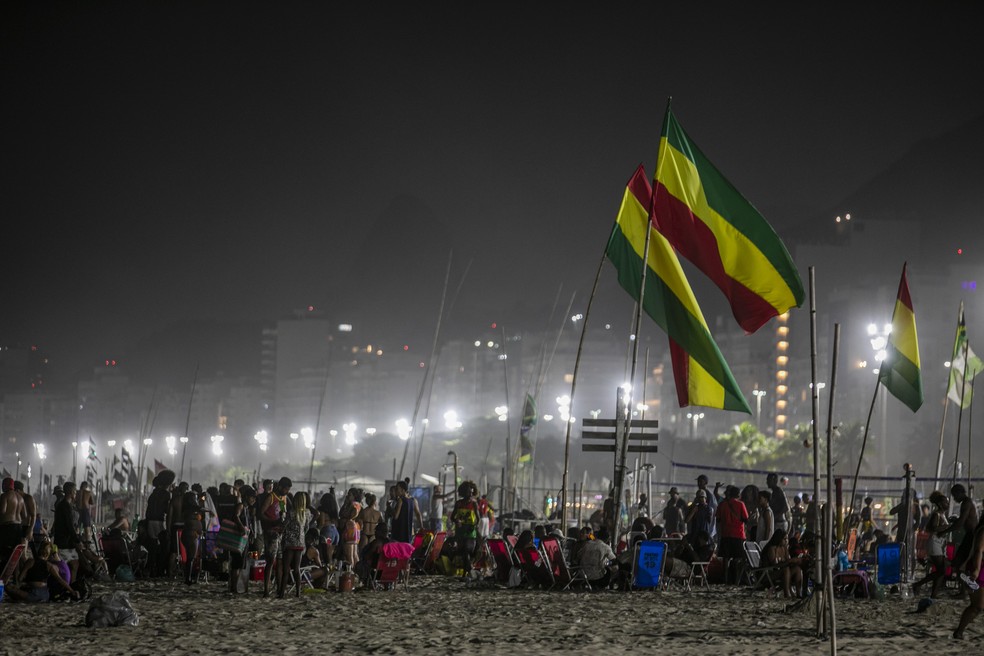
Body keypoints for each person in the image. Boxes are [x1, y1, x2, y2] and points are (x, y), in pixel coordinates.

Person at [912, 490, 949, 599]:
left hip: (940, 544)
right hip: (934, 543)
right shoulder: (936, 514)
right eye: (946, 502)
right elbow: (931, 528)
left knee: (940, 570)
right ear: (940, 504)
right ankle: (918, 584)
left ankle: (934, 594)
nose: (947, 504)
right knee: (941, 570)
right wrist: (947, 527)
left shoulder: (942, 514)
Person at [940, 483, 979, 587]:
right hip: (969, 534)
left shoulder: (967, 502)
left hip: (971, 535)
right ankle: (963, 590)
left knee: (960, 563)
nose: (954, 498)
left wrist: (944, 531)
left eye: (954, 495)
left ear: (960, 493)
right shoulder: (967, 502)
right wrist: (955, 520)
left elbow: (961, 522)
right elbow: (964, 520)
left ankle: (964, 590)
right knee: (958, 563)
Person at [258, 476, 292, 596]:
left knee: (280, 562)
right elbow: (261, 514)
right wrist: (272, 522)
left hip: (280, 533)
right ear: (280, 487)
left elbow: (282, 513)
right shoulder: (271, 497)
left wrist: (283, 523)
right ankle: (266, 589)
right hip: (271, 532)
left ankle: (279, 589)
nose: (287, 492)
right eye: (285, 489)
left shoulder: (283, 498)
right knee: (270, 561)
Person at [953, 518, 984, 639]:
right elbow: (978, 550)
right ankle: (959, 632)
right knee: (977, 606)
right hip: (980, 568)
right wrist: (976, 570)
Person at [715, 485, 748, 585]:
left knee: (726, 558)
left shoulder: (722, 505)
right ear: (738, 494)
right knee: (739, 558)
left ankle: (725, 578)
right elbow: (746, 519)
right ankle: (736, 579)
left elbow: (718, 519)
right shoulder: (741, 504)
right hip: (738, 535)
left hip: (726, 534)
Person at [280, 491, 309, 598]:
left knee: (286, 569)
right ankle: (298, 592)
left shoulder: (291, 512)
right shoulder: (306, 513)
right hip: (300, 543)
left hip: (290, 543)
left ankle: (282, 593)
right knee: (297, 569)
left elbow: (284, 525)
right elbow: (306, 528)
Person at [449, 481, 480, 578]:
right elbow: (452, 517)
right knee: (463, 552)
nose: (470, 494)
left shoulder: (474, 504)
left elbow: (478, 519)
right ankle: (466, 572)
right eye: (468, 492)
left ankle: (466, 572)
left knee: (467, 550)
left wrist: (473, 525)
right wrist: (456, 520)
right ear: (463, 492)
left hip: (470, 531)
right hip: (460, 531)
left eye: (472, 492)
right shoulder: (458, 503)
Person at [762, 528, 804, 598]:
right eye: (784, 539)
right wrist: (790, 561)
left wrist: (794, 561)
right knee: (786, 569)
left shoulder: (784, 548)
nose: (786, 541)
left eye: (787, 539)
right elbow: (775, 565)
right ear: (779, 539)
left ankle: (798, 593)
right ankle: (787, 593)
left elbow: (788, 560)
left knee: (797, 569)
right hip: (769, 574)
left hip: (781, 572)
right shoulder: (772, 549)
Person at [1, 476, 30, 569]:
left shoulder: (5, 495)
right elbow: (25, 515)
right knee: (15, 555)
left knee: (4, 554)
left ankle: (1, 581)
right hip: (18, 528)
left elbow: (2, 511)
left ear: (5, 485)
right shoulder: (20, 498)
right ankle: (16, 579)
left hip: (7, 528)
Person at [180, 490, 204, 585]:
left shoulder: (189, 508)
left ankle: (189, 577)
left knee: (191, 557)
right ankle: (188, 578)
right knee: (191, 557)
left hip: (191, 534)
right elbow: (200, 509)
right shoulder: (191, 509)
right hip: (191, 534)